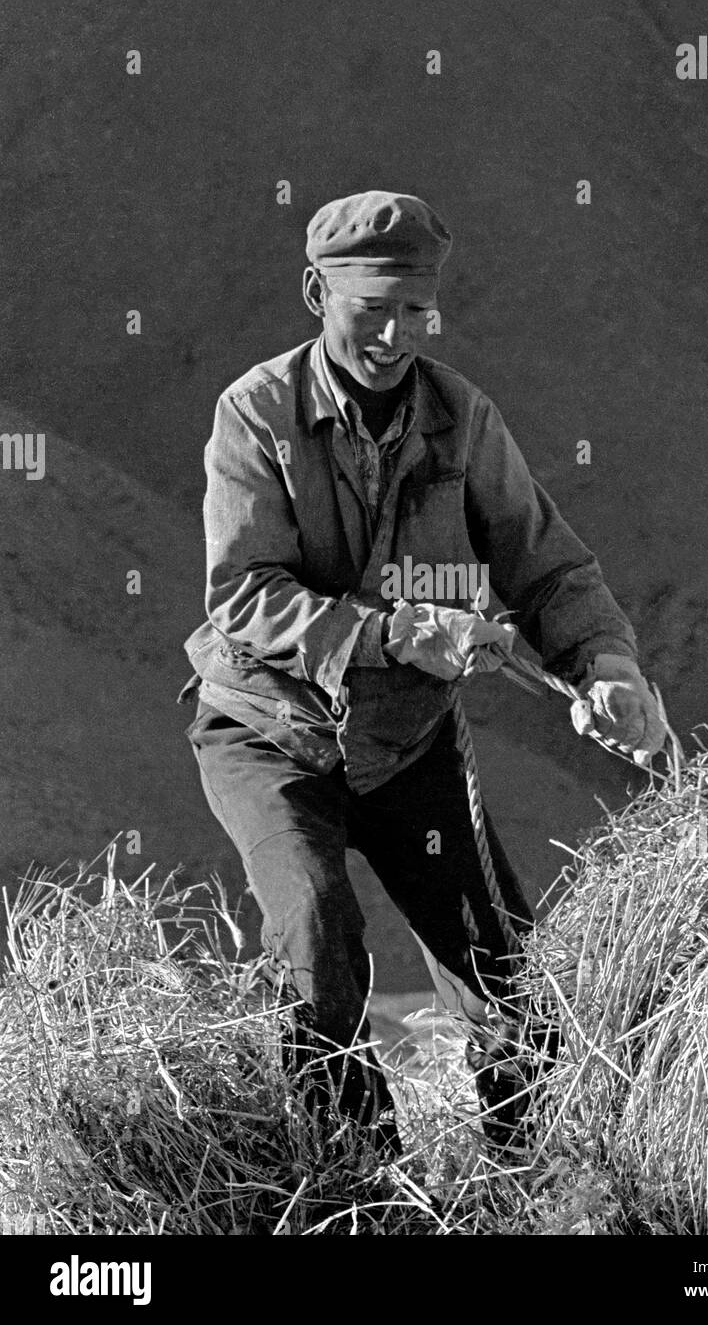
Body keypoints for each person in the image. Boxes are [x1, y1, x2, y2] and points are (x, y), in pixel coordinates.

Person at [178, 190, 666, 1159]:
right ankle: (358, 1193)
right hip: (269, 734)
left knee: (511, 982)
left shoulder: (459, 418)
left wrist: (604, 664)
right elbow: (243, 595)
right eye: (372, 310)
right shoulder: (256, 414)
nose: (396, 333)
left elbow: (545, 565)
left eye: (415, 309)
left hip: (406, 743)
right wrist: (395, 630)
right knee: (318, 938)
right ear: (316, 293)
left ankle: (533, 1184)